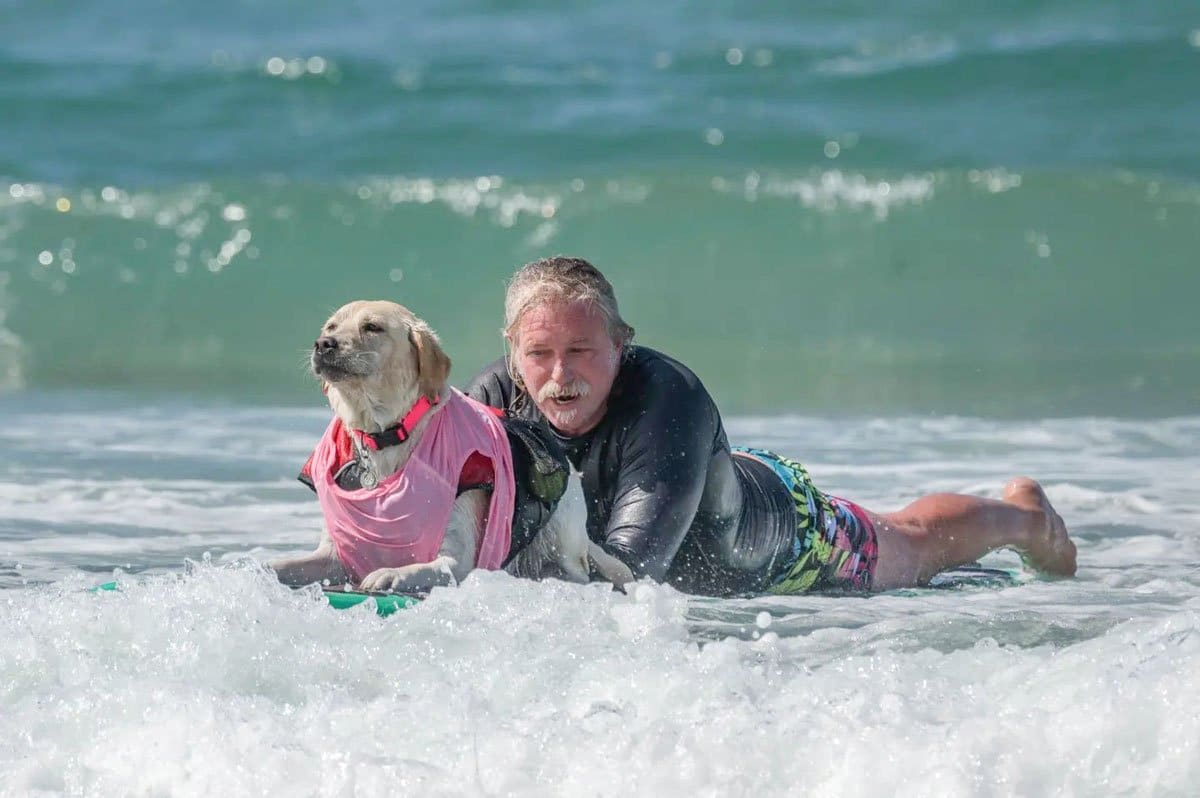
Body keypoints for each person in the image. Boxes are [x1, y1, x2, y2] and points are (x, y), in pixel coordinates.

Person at [466, 256, 1076, 596]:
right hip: (699, 499)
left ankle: (1027, 521)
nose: (559, 374)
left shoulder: (666, 399)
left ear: (621, 345)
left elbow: (631, 575)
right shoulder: (491, 401)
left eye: (582, 350)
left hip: (782, 538)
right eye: (540, 353)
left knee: (912, 548)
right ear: (513, 349)